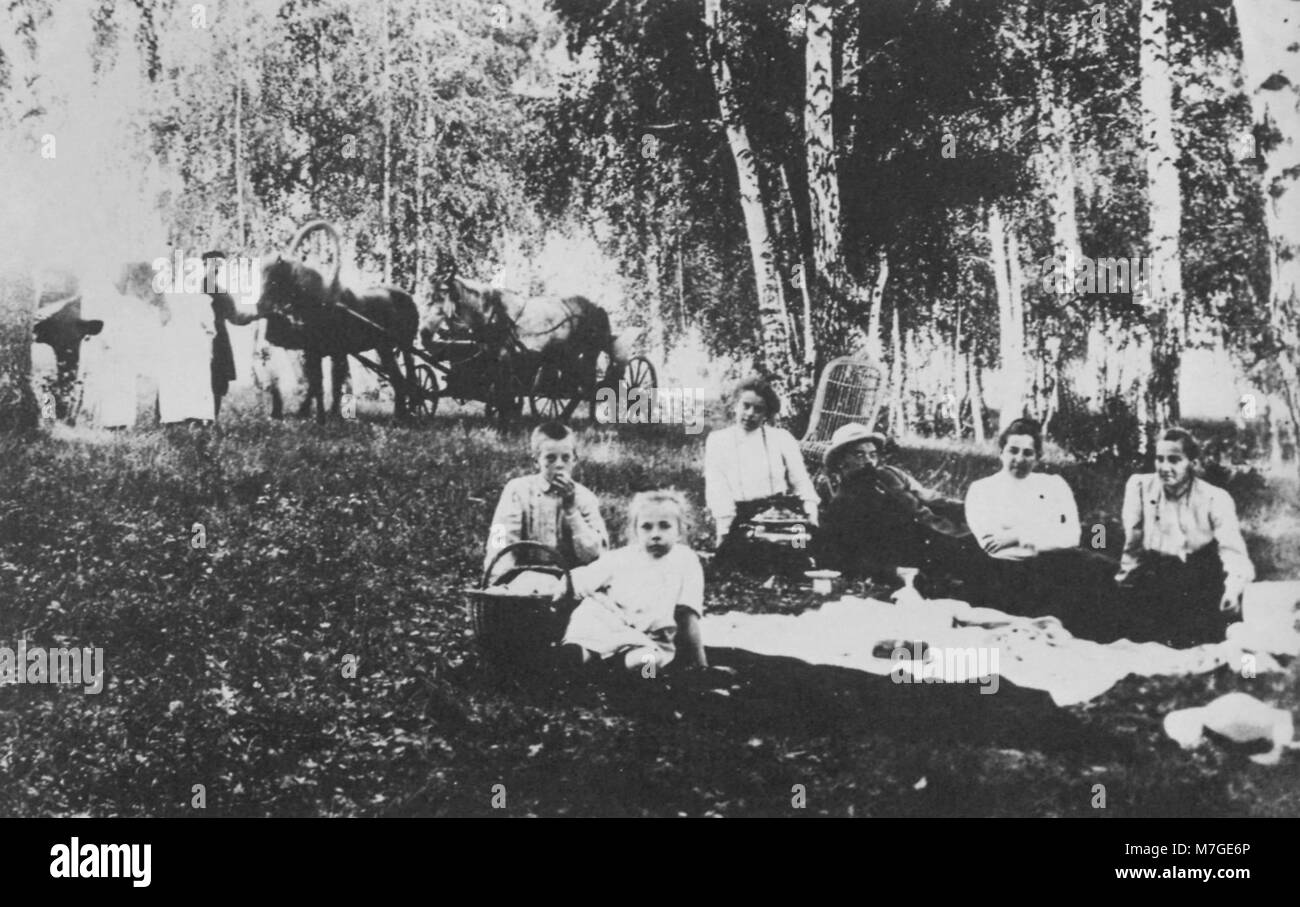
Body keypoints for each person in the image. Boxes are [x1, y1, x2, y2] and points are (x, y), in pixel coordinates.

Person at [964, 418, 1117, 633]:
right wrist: (1045, 530)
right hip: (1009, 576)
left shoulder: (1053, 484)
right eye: (1013, 451)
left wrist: (1015, 535)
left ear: (1038, 457)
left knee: (1105, 561)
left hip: (1056, 564)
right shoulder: (981, 490)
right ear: (1001, 452)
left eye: (1028, 453)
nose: (1019, 459)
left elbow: (1072, 536)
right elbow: (991, 545)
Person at [1116, 428, 1255, 647]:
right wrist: (1125, 584)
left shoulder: (1214, 498)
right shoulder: (1141, 487)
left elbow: (1233, 551)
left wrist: (1232, 590)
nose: (1164, 467)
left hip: (1200, 579)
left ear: (1191, 461)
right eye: (1159, 459)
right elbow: (1133, 541)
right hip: (1157, 576)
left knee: (1209, 640)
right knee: (1138, 639)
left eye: (1174, 460)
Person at [558, 490, 707, 673]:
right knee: (588, 623)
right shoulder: (621, 557)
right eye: (646, 527)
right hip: (607, 624)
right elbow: (583, 578)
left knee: (650, 662)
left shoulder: (685, 560)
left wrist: (701, 665)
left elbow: (688, 615)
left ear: (680, 531)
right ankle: (575, 659)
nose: (655, 534)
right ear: (635, 531)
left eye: (664, 526)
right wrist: (564, 587)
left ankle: (621, 677)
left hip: (649, 638)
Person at [816, 424, 977, 589]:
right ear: (842, 460)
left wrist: (971, 508)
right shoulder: (843, 503)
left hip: (937, 536)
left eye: (872, 454)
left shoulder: (891, 474)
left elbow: (930, 497)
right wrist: (892, 571)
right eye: (859, 455)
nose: (868, 461)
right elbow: (845, 556)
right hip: (902, 561)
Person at [703, 377, 820, 565]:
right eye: (746, 406)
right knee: (742, 561)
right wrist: (723, 532)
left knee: (800, 554)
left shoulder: (781, 438)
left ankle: (802, 560)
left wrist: (810, 514)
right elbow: (718, 490)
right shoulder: (718, 441)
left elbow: (801, 481)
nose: (750, 414)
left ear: (767, 413)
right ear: (735, 405)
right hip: (743, 519)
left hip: (783, 515)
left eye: (758, 409)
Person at [484, 421, 608, 580]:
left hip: (572, 581)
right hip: (523, 579)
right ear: (536, 461)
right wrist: (499, 580)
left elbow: (595, 555)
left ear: (575, 460)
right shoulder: (517, 491)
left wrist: (571, 510)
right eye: (550, 458)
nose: (559, 465)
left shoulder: (585, 498)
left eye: (566, 458)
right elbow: (499, 540)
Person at [203, 251, 258, 420]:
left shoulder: (222, 292)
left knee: (218, 380)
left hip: (219, 337)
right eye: (211, 265)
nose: (215, 269)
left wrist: (257, 314)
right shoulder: (194, 289)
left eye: (219, 265)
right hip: (198, 337)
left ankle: (212, 417)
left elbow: (235, 317)